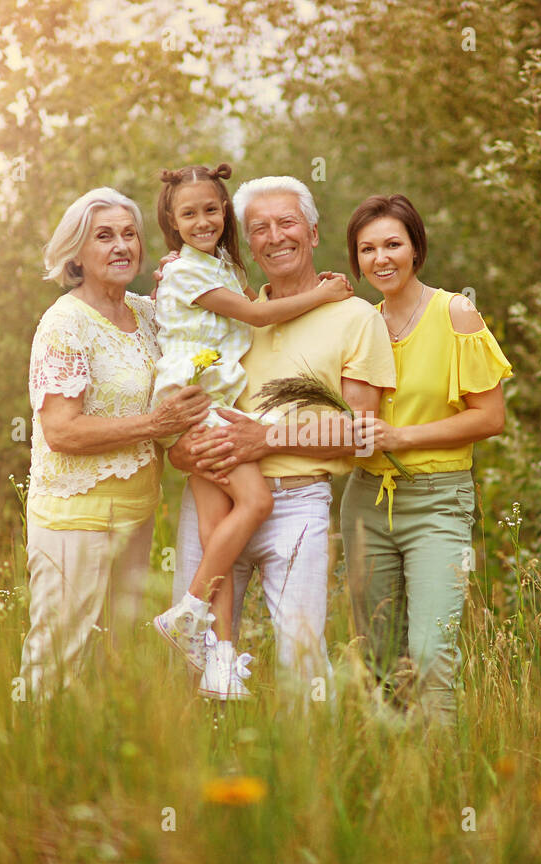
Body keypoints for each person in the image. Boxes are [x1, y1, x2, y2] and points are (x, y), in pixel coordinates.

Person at [167, 176, 395, 704]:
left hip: (297, 507)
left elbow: (361, 433)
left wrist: (264, 439)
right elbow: (178, 391)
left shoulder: (355, 317)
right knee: (195, 658)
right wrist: (179, 451)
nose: (276, 237)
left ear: (314, 234)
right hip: (213, 497)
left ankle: (307, 776)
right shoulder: (232, 317)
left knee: (303, 662)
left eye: (288, 223)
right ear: (247, 241)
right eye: (260, 229)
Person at [18, 187, 211, 699]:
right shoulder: (64, 323)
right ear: (78, 252)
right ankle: (36, 760)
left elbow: (208, 330)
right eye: (105, 236)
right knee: (59, 655)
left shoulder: (147, 314)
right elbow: (61, 432)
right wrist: (155, 423)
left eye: (130, 235)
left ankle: (98, 770)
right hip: (74, 517)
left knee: (116, 656)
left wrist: (191, 272)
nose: (121, 246)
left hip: (136, 512)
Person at [340, 194, 512, 725]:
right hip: (365, 503)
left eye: (393, 244)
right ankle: (395, 783)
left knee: (433, 655)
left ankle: (447, 786)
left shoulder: (455, 312)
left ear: (416, 248)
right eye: (367, 249)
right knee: (379, 658)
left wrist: (401, 436)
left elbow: (489, 418)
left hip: (439, 502)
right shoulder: (357, 324)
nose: (380, 258)